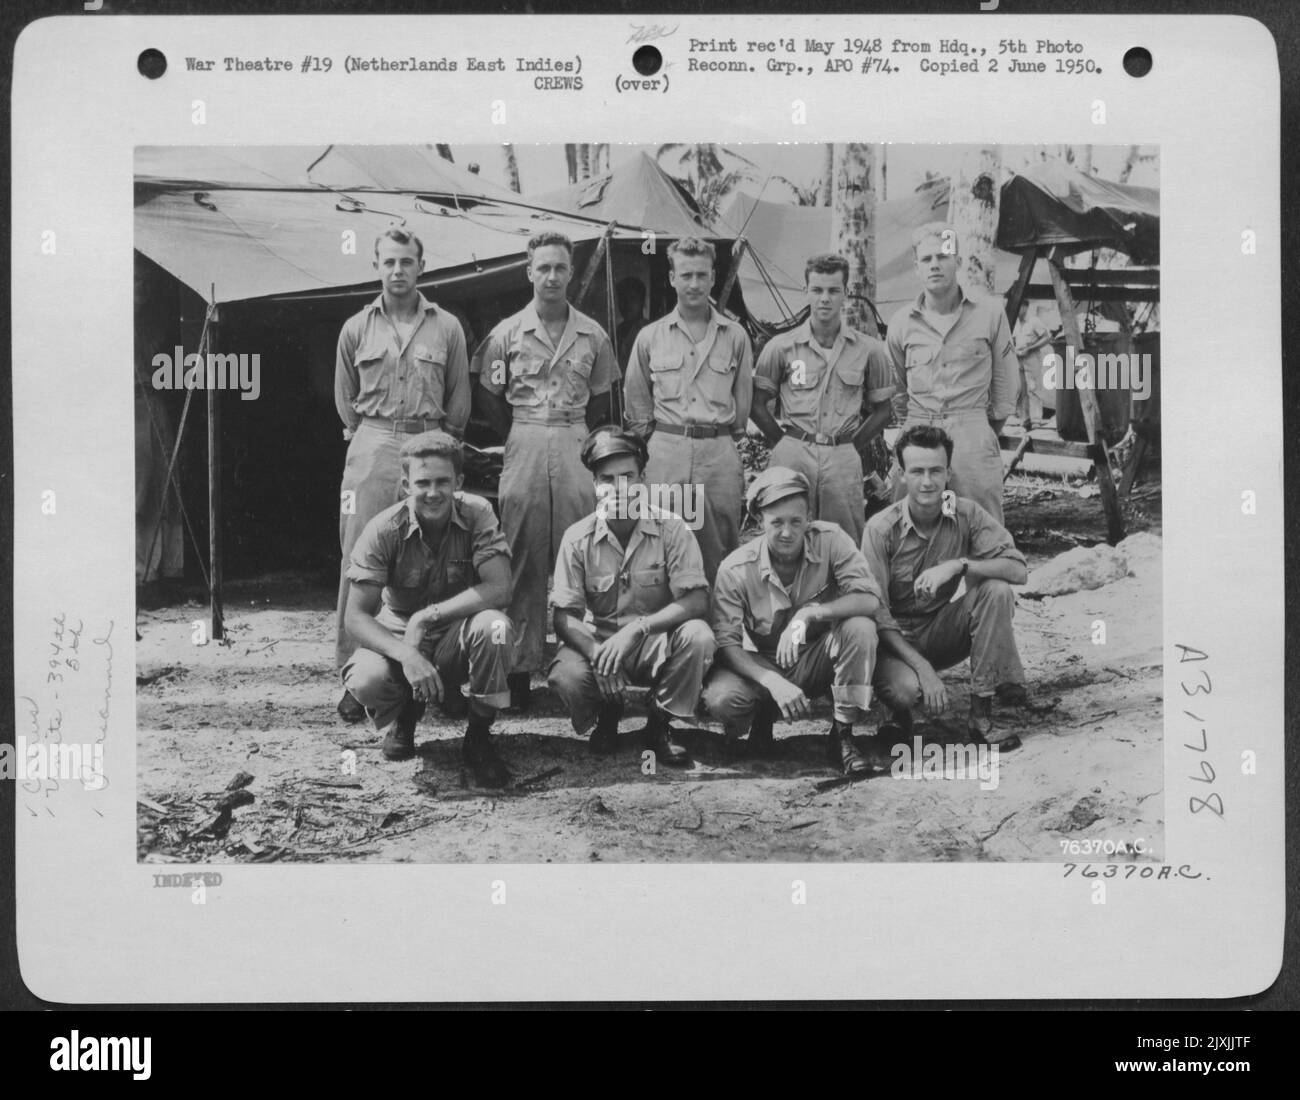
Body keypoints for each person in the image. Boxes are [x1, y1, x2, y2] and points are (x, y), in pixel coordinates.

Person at [472, 231, 619, 710]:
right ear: (528, 271)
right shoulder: (506, 334)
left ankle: (578, 663)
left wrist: (576, 434)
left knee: (580, 551)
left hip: (576, 438)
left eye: (560, 268)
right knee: (521, 554)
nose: (552, 276)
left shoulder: (593, 335)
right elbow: (489, 394)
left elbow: (600, 395)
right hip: (526, 438)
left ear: (571, 273)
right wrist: (519, 432)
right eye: (544, 267)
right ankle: (517, 667)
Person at [334, 228, 471, 722]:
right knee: (360, 554)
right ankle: (356, 674)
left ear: (421, 265)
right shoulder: (355, 327)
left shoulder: (448, 327)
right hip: (373, 442)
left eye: (406, 262)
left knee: (439, 551)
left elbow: (459, 401)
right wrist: (371, 436)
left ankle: (444, 671)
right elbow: (344, 401)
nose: (398, 271)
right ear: (377, 265)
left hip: (430, 441)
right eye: (389, 262)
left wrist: (439, 441)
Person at [341, 431, 516, 787]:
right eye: (423, 482)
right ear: (406, 484)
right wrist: (407, 654)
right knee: (365, 679)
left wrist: (428, 615)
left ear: (460, 482)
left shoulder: (478, 513)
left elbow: (500, 587)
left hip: (454, 632)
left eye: (442, 482)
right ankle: (405, 715)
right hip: (399, 634)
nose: (433, 492)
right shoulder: (384, 528)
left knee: (495, 627)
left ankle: (479, 737)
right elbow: (355, 617)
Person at [548, 428, 715, 766]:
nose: (619, 488)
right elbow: (563, 616)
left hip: (654, 640)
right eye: (607, 479)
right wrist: (597, 655)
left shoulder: (673, 528)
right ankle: (607, 712)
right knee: (565, 675)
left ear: (643, 479)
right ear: (595, 485)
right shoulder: (577, 538)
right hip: (603, 642)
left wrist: (638, 628)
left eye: (628, 476)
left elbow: (697, 600)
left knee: (699, 637)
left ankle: (660, 723)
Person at [703, 467, 884, 776]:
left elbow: (869, 599)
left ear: (808, 519)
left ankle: (842, 734)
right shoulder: (735, 569)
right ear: (760, 521)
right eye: (776, 523)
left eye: (796, 522)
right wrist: (774, 684)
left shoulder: (831, 540)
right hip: (764, 665)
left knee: (860, 628)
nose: (787, 532)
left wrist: (810, 613)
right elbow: (727, 645)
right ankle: (763, 717)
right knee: (722, 699)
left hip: (815, 658)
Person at [861, 425, 1029, 752]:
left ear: (949, 473)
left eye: (936, 471)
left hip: (937, 629)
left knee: (996, 590)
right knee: (908, 690)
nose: (927, 481)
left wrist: (960, 564)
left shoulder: (963, 513)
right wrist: (924, 669)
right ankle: (897, 714)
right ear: (902, 475)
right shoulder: (881, 529)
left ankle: (981, 715)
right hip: (892, 641)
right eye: (917, 471)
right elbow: (876, 615)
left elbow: (1018, 569)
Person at [624, 237, 754, 582]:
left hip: (718, 454)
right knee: (660, 547)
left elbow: (743, 407)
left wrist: (722, 438)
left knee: (721, 551)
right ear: (672, 279)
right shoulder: (650, 337)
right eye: (686, 275)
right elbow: (637, 406)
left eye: (701, 275)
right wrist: (659, 445)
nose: (694, 284)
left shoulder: (736, 336)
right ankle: (665, 629)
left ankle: (719, 631)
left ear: (713, 277)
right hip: (666, 452)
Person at [751, 252, 896, 546]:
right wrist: (782, 442)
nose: (825, 299)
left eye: (833, 290)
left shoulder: (869, 349)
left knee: (843, 538)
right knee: (785, 533)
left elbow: (883, 410)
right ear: (806, 291)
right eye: (817, 290)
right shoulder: (781, 347)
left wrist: (852, 445)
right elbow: (757, 404)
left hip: (841, 454)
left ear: (845, 293)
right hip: (793, 449)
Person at [886, 222, 1019, 523]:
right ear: (916, 267)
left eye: (942, 256)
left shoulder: (990, 314)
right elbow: (896, 390)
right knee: (907, 527)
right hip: (917, 431)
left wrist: (978, 429)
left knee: (980, 527)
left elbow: (1006, 386)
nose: (935, 265)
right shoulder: (901, 323)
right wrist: (915, 425)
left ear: (957, 261)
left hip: (971, 433)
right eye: (926, 259)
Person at [1013, 301, 1054, 423]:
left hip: (1031, 358)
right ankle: (1024, 419)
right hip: (1017, 358)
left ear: (1025, 306)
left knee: (1034, 389)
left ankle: (1036, 420)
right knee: (1020, 390)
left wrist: (1030, 348)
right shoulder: (1014, 322)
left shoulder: (1033, 321)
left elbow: (1047, 337)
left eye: (1020, 306)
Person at [615, 276, 648, 373]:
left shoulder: (649, 330)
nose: (627, 304)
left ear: (641, 301)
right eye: (622, 299)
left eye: (632, 299)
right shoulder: (618, 331)